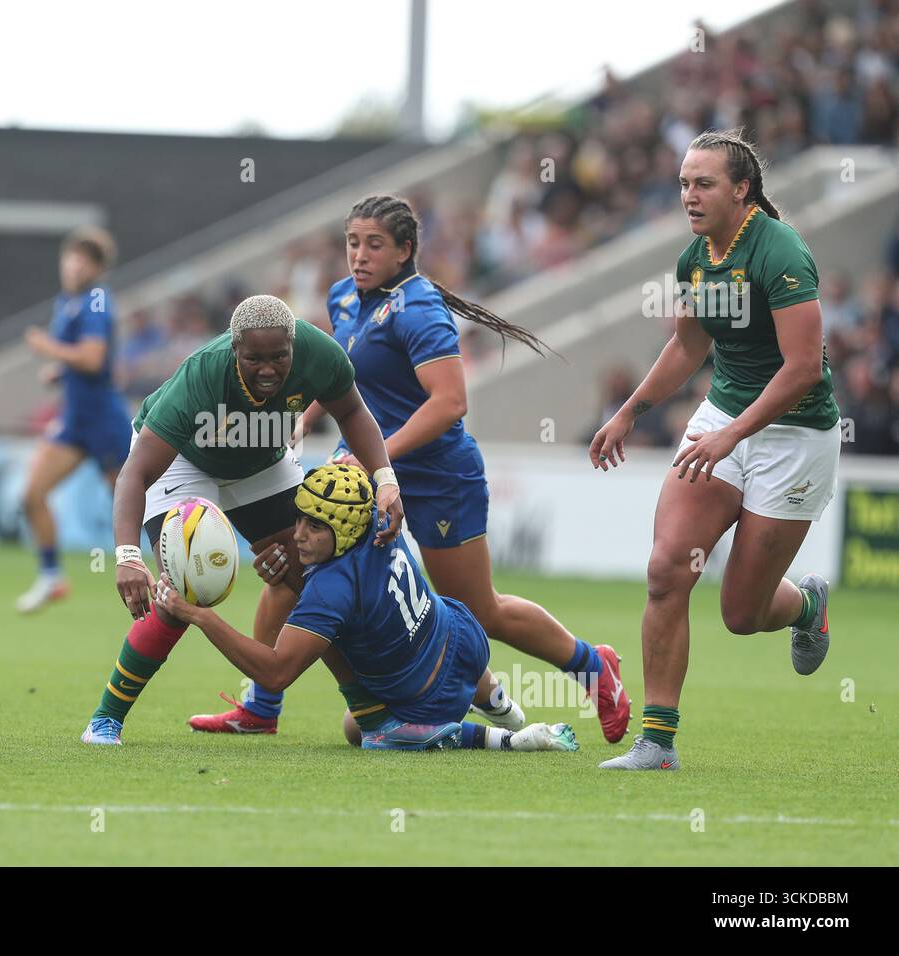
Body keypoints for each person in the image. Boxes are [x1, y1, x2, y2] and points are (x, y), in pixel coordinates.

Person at [192, 196, 631, 744]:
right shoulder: (343, 298)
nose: (359, 255)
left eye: (374, 244)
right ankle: (261, 706)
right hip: (366, 475)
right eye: (353, 242)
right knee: (292, 566)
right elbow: (344, 384)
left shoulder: (419, 309)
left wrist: (381, 464)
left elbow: (450, 402)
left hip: (438, 475)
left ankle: (592, 667)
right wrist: (304, 418)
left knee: (478, 610)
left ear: (405, 250)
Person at [589, 129, 840, 771]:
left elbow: (804, 368)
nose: (689, 196)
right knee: (667, 568)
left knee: (741, 613)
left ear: (740, 189)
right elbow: (688, 346)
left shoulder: (780, 253)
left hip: (793, 438)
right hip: (723, 421)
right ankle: (658, 743)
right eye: (683, 183)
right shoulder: (696, 258)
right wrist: (628, 411)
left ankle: (806, 604)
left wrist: (734, 434)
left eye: (702, 184)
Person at [80, 294, 405, 745]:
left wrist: (386, 478)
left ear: (295, 345)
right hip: (185, 462)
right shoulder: (201, 375)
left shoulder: (320, 353)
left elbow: (351, 411)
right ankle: (106, 718)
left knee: (310, 577)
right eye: (254, 358)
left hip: (262, 459)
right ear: (234, 351)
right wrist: (128, 555)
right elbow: (134, 473)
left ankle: (369, 718)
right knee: (184, 587)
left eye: (279, 357)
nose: (268, 369)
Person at [155, 465, 579, 754]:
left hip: (426, 700)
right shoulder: (380, 520)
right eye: (299, 519)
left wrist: (200, 615)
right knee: (436, 622)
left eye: (314, 527)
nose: (298, 535)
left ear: (341, 529)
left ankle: (506, 740)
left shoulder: (330, 589)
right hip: (464, 639)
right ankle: (501, 704)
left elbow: (275, 672)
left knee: (358, 729)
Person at [16, 227, 132, 612]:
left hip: (103, 418)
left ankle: (171, 574)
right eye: (71, 257)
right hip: (75, 419)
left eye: (84, 260)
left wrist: (49, 350)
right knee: (31, 495)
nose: (73, 265)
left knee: (129, 504)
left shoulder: (96, 299)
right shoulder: (69, 301)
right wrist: (59, 371)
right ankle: (51, 576)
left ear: (97, 268)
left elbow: (94, 358)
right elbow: (80, 359)